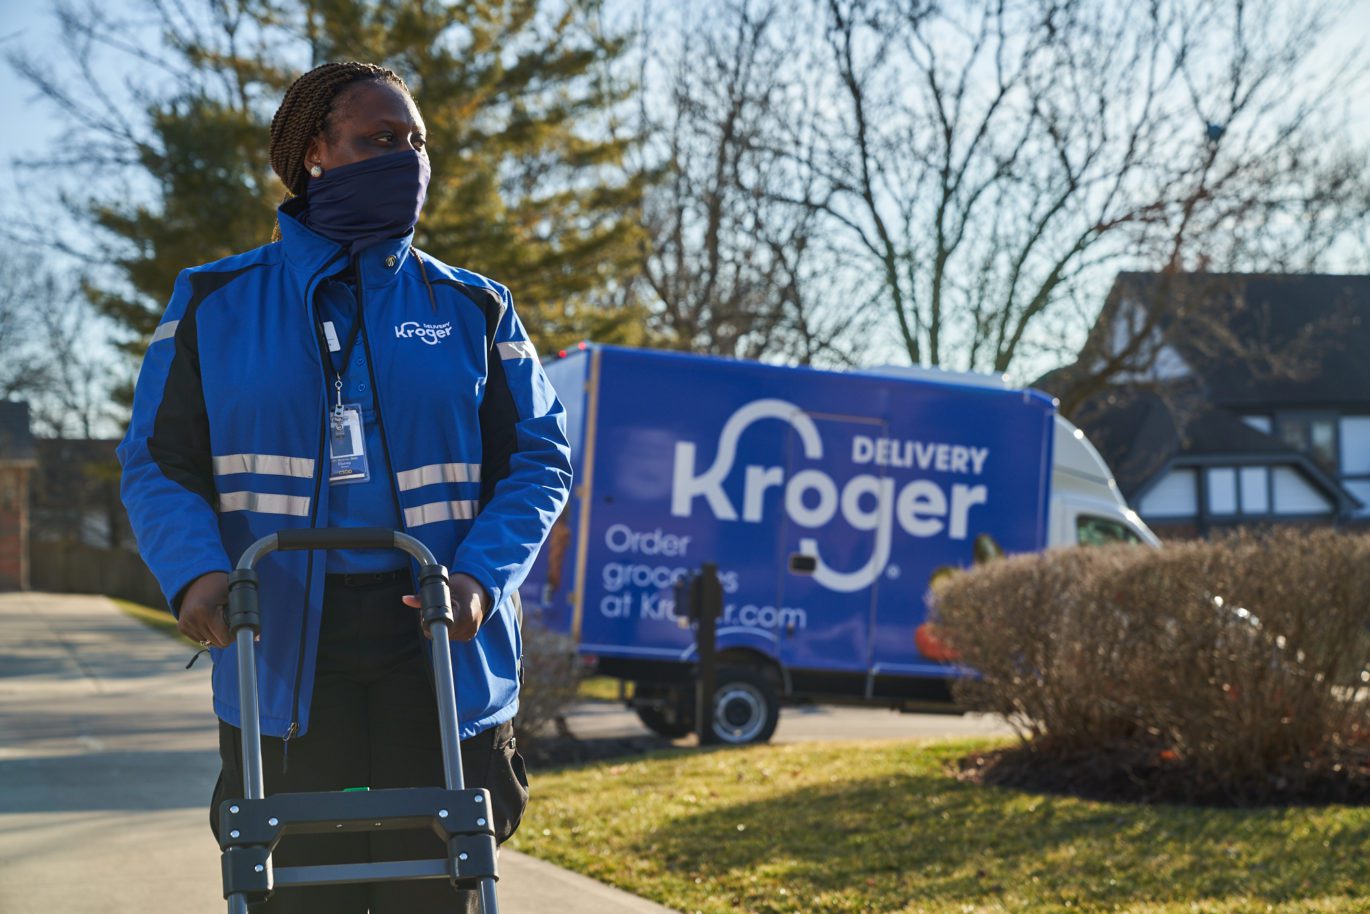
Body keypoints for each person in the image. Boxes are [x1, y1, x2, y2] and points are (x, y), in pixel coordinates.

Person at [117, 60, 573, 913]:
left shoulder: (474, 308)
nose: (407, 158)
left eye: (417, 143)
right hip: (280, 637)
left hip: (437, 639)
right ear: (316, 153)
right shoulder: (214, 301)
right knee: (297, 888)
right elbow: (157, 460)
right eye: (380, 138)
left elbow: (540, 459)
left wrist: (479, 579)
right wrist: (197, 572)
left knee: (433, 885)